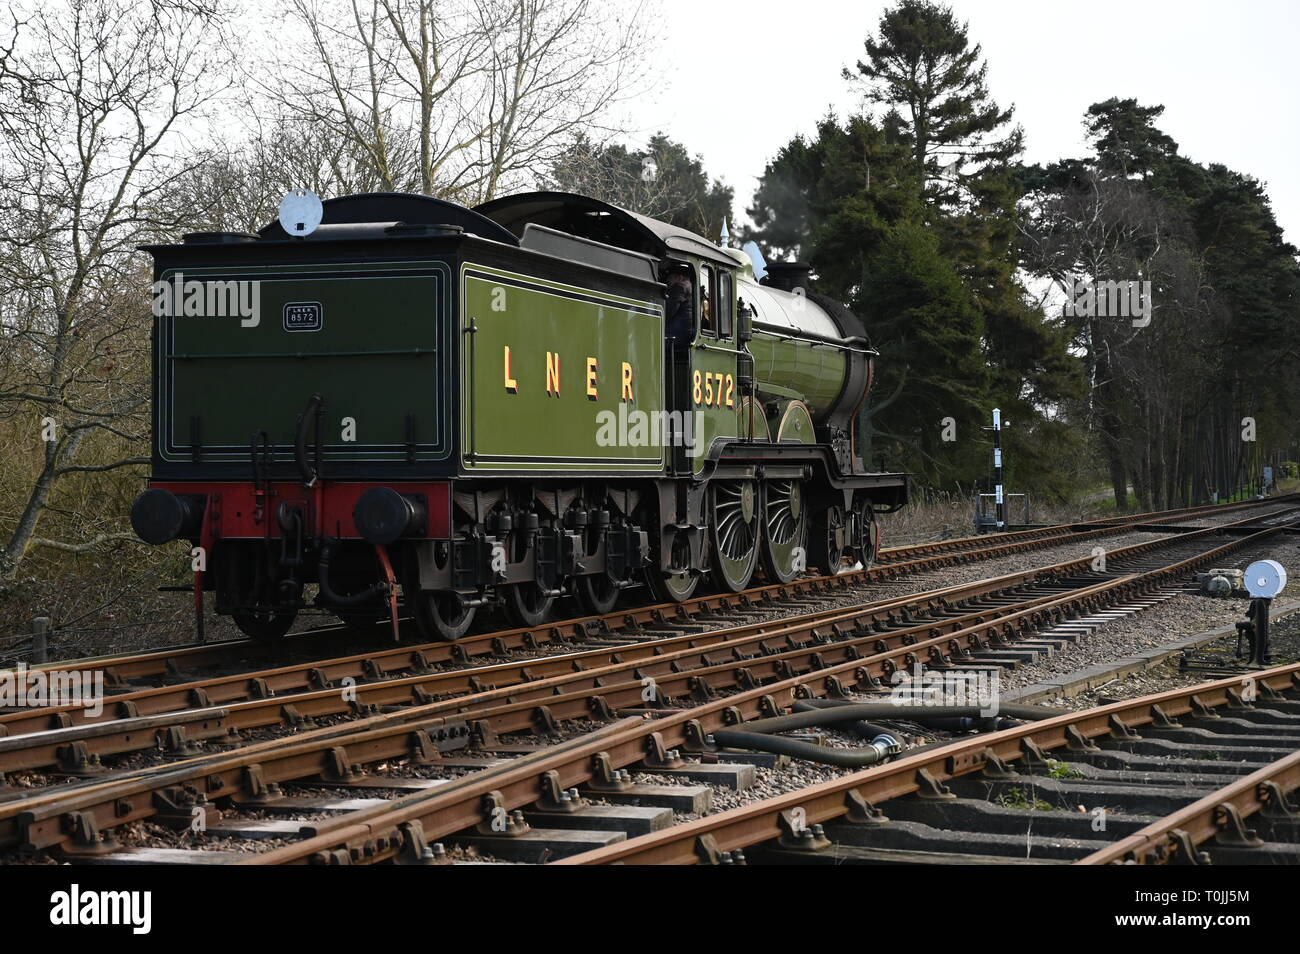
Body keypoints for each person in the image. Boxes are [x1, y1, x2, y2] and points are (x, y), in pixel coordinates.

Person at [664, 267, 695, 345]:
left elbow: (668, 311)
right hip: (687, 333)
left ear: (679, 277)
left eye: (670, 278)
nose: (668, 282)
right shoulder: (692, 288)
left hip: (675, 335)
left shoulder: (680, 287)